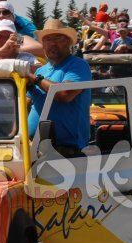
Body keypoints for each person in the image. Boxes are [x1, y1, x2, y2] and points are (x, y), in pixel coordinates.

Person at [24, 18, 92, 157]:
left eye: (58, 38)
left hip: (66, 153)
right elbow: (25, 102)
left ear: (68, 41)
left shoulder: (78, 66)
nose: (52, 43)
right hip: (34, 150)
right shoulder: (40, 71)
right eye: (47, 39)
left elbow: (64, 94)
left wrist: (35, 79)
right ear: (43, 44)